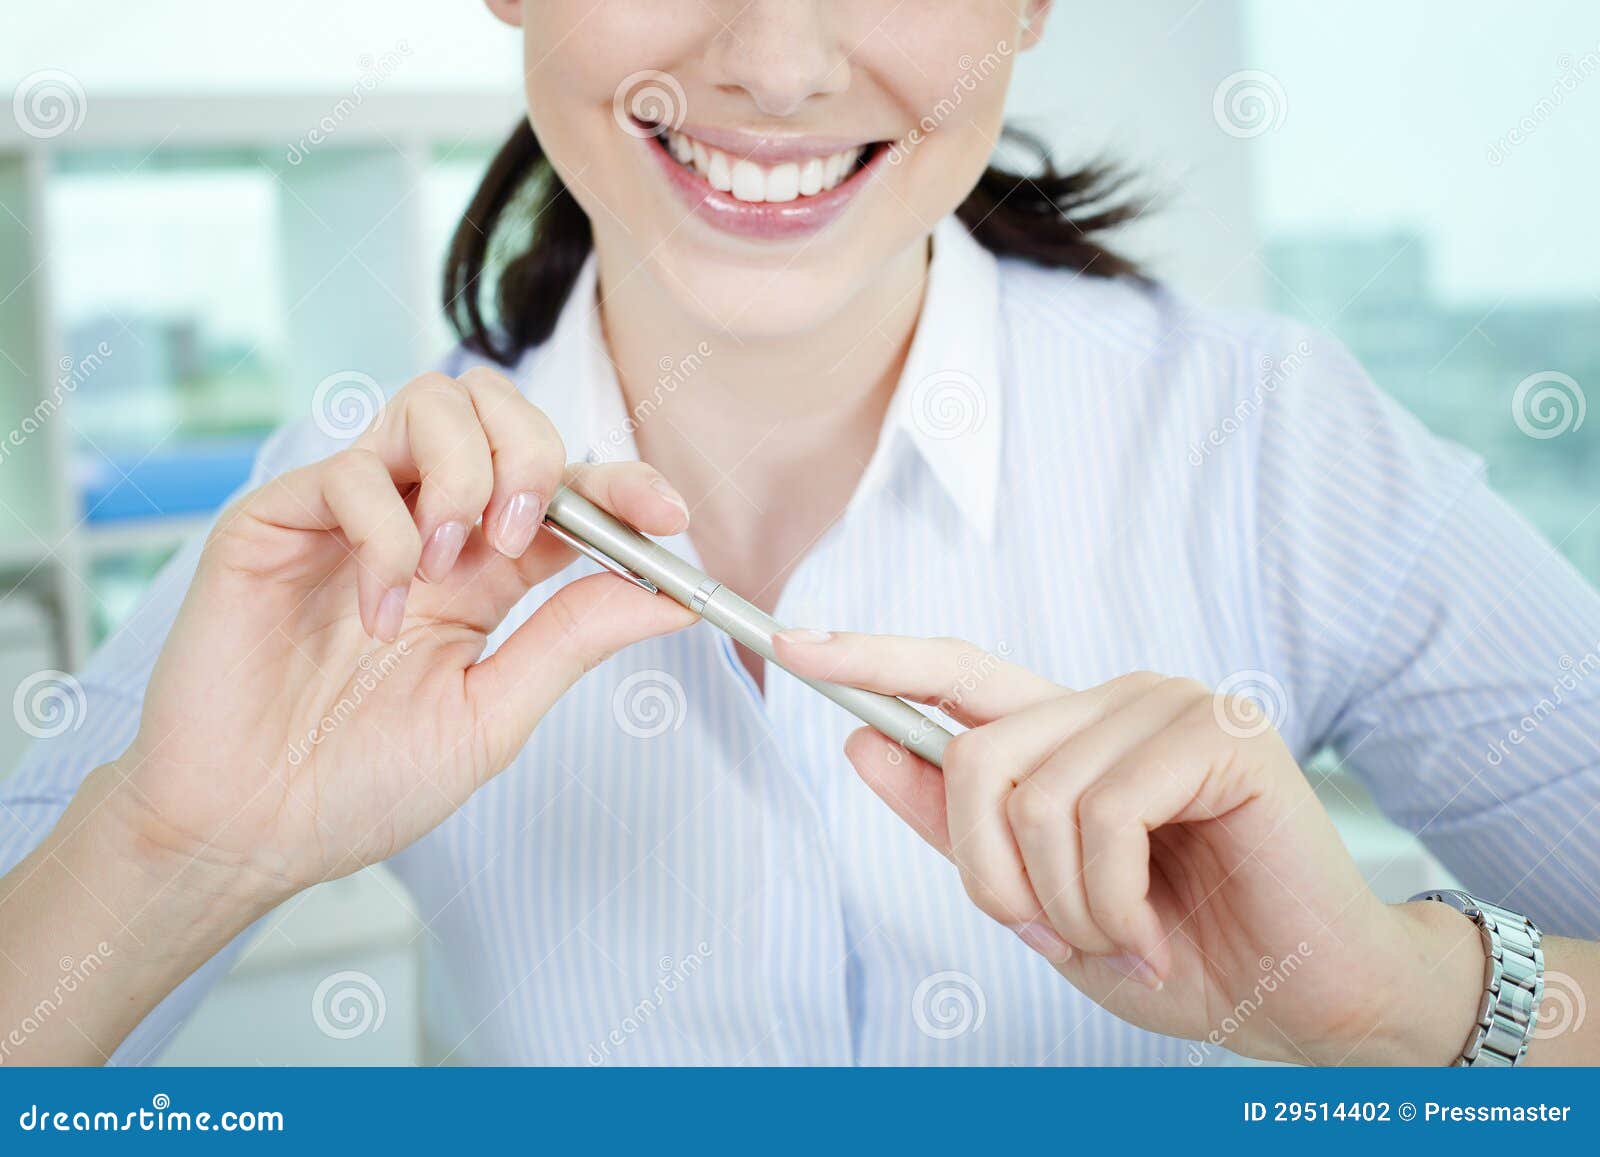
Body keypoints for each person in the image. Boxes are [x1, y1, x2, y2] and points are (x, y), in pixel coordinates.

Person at [3, 0, 1598, 1066]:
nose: (774, 63)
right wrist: (173, 855)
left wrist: (1404, 998)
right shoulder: (344, 528)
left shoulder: (1269, 442)